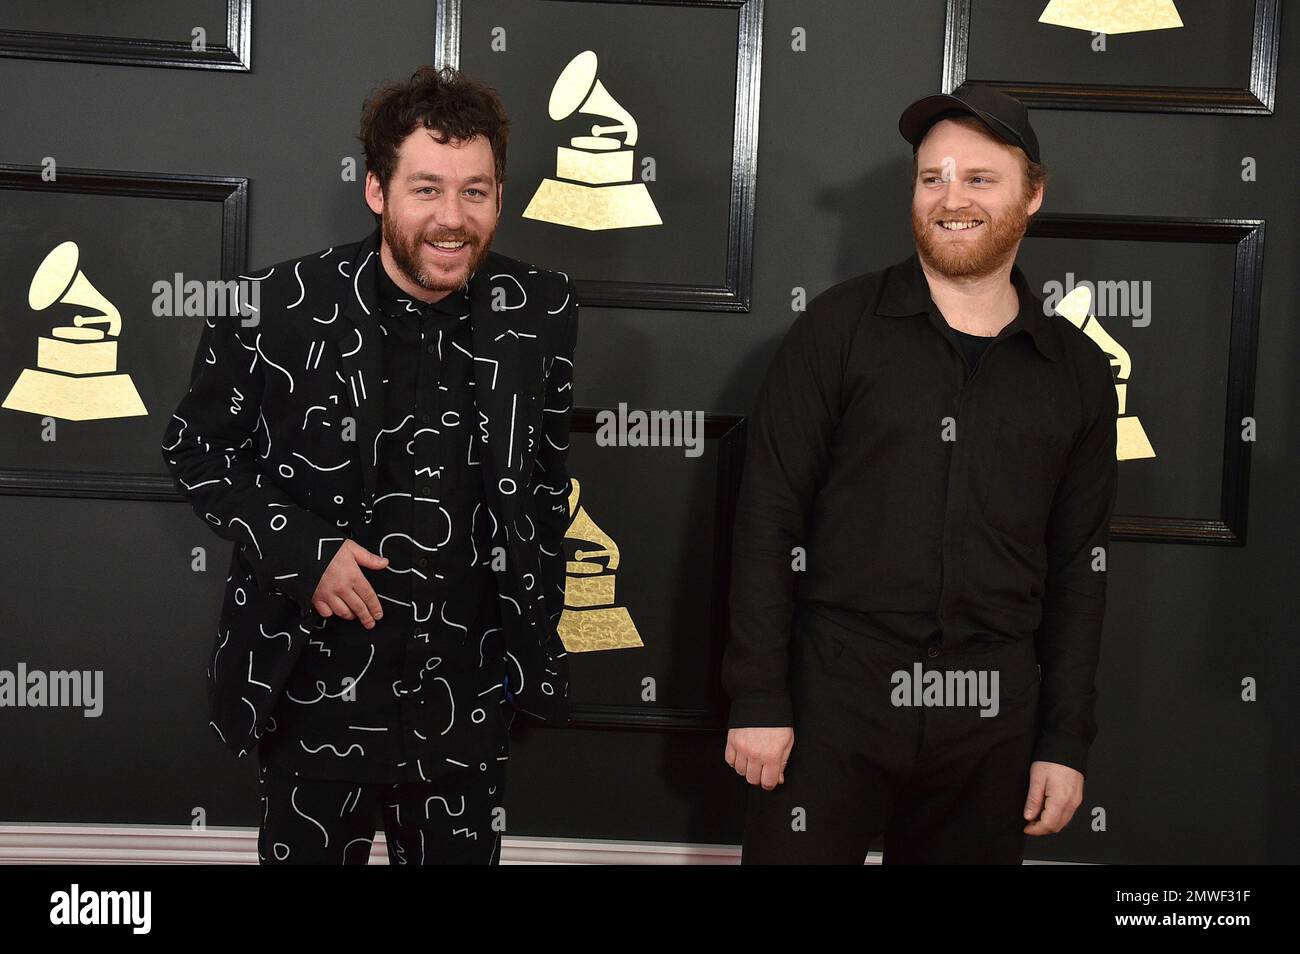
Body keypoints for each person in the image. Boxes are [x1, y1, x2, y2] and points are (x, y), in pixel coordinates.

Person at [161, 65, 579, 865]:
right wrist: (300, 549)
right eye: (426, 189)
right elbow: (197, 447)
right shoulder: (272, 306)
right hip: (312, 687)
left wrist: (536, 625)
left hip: (468, 694)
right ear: (377, 189)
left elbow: (546, 477)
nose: (452, 220)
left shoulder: (543, 308)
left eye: (476, 192)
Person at [722, 84, 1118, 863]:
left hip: (993, 714)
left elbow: (1082, 569)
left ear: (1032, 194)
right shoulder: (836, 328)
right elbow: (768, 518)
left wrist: (1064, 740)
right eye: (931, 177)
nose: (951, 198)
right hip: (833, 696)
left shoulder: (1076, 372)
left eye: (979, 178)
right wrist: (758, 696)